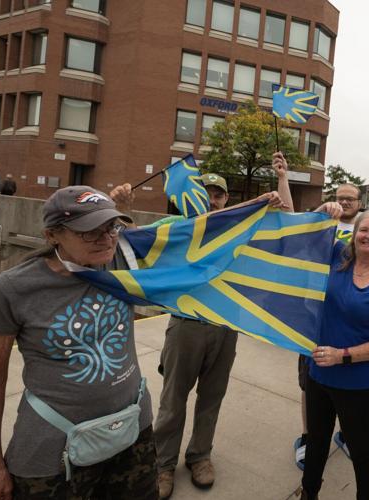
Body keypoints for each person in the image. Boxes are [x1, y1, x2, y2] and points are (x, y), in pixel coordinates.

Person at [114, 153, 291, 499]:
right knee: (173, 400)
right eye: (204, 191)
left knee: (212, 397)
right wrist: (120, 207)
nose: (210, 199)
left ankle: (200, 456)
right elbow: (132, 239)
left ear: (226, 199)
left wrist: (280, 181)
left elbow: (285, 222)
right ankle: (163, 464)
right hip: (186, 327)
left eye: (218, 194)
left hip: (225, 327)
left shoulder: (237, 232)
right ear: (189, 195)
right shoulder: (173, 229)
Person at [0, 185, 158, 499]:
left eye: (111, 227)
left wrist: (264, 205)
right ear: (52, 236)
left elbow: (191, 243)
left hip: (132, 432)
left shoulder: (120, 261)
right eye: (89, 231)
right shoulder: (13, 288)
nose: (106, 238)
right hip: (54, 452)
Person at [299, 210, 369, 500]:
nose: (368, 236)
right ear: (354, 233)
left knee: (361, 450)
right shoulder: (337, 258)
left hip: (361, 385)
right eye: (364, 230)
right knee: (317, 442)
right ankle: (309, 493)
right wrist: (323, 213)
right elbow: (303, 233)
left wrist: (341, 355)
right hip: (320, 374)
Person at [294, 184, 361, 470]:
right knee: (309, 385)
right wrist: (320, 212)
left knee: (351, 388)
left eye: (350, 198)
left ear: (360, 202)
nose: (344, 202)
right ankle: (308, 439)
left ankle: (347, 435)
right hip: (314, 320)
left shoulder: (368, 228)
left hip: (351, 322)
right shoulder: (322, 221)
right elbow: (296, 234)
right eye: (340, 197)